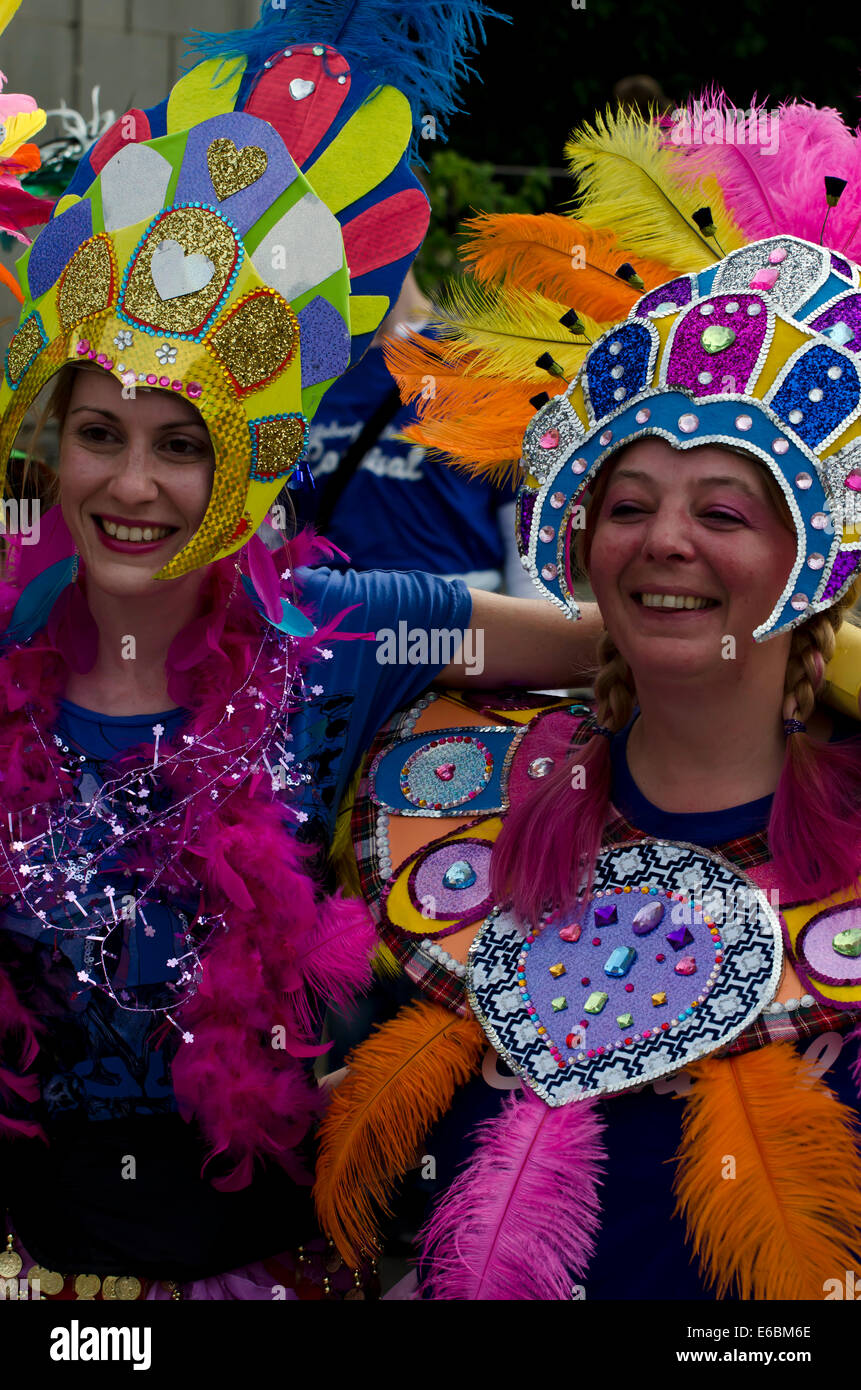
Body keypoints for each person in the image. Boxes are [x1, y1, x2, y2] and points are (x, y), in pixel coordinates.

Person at [0, 11, 601, 1304]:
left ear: (251, 460)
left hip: (260, 1265)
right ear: (55, 444)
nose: (135, 485)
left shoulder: (342, 633)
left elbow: (612, 648)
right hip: (36, 1267)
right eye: (102, 432)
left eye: (183, 442)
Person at [314, 92, 861, 1301]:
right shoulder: (490, 819)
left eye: (723, 510)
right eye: (627, 505)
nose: (665, 539)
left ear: (816, 561)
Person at [291, 269, 531, 596]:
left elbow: (526, 536)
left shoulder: (482, 362)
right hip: (331, 618)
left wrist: (533, 639)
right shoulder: (301, 373)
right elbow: (281, 526)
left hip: (456, 620)